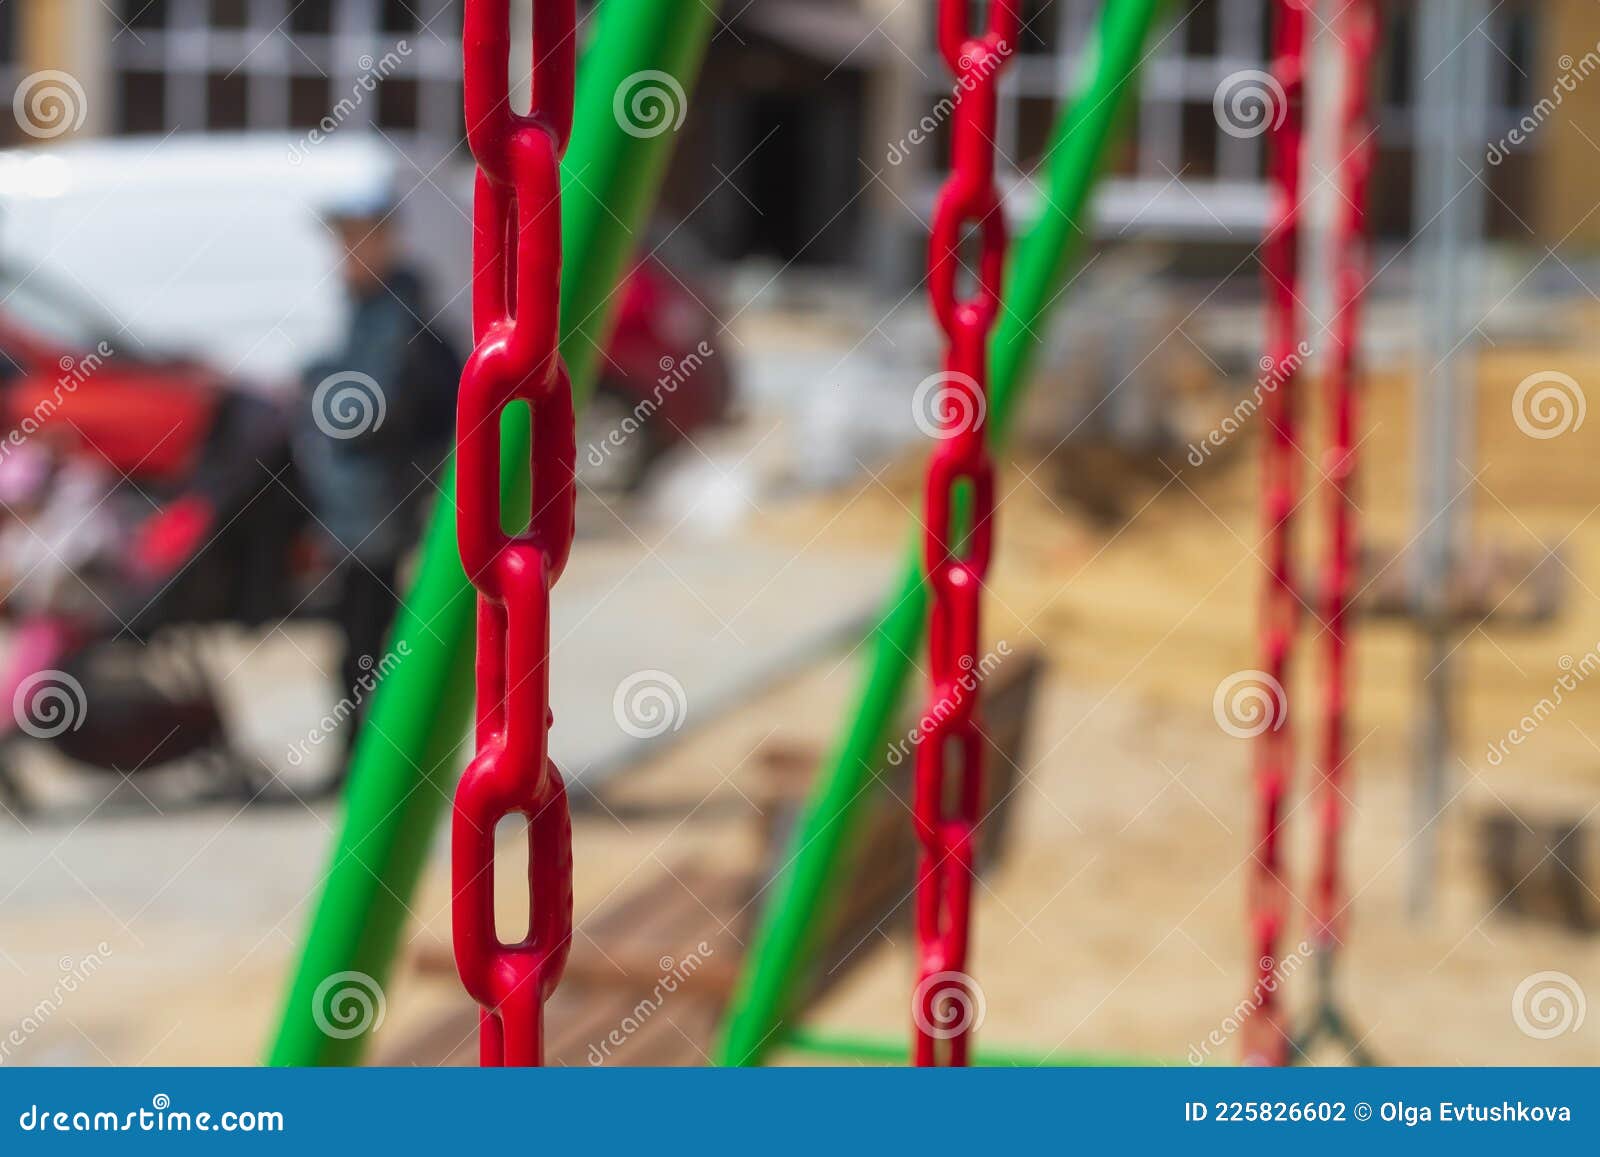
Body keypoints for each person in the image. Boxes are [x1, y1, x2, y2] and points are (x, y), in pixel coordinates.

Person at [295, 187, 460, 768]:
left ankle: (372, 761)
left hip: (380, 509)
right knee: (360, 639)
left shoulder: (396, 317)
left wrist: (315, 386)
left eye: (356, 242)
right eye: (341, 243)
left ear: (385, 242)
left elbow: (372, 408)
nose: (345, 257)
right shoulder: (369, 309)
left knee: (369, 643)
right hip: (363, 510)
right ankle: (368, 756)